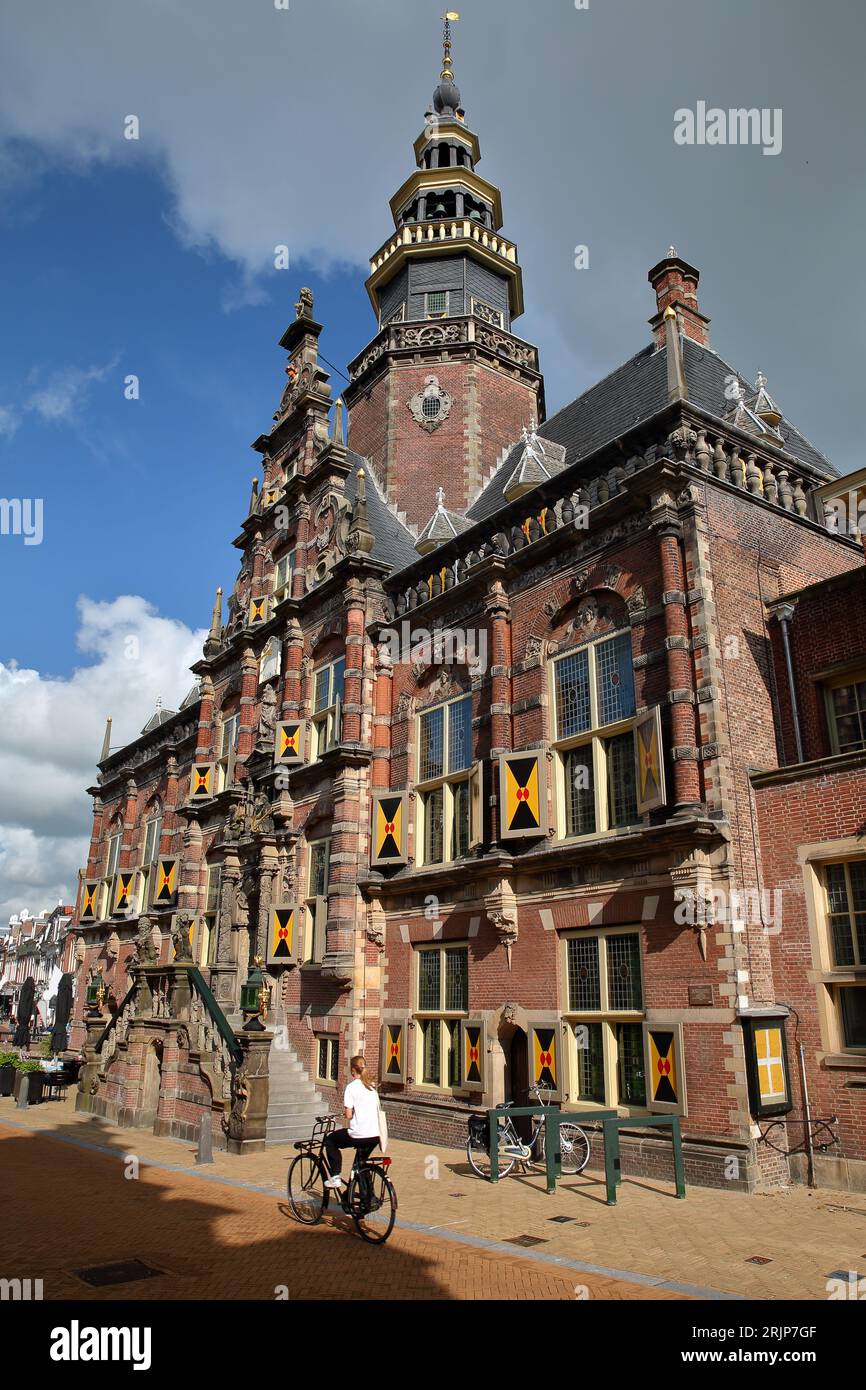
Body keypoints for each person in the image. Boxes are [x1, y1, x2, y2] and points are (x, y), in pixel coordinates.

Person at [323, 1055, 380, 1190]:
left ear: (353, 1070)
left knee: (330, 1141)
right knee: (360, 1165)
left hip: (359, 1134)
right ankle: (366, 1196)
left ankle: (335, 1177)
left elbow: (348, 1115)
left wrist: (348, 1114)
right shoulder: (372, 1087)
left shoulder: (351, 1087)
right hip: (375, 1135)